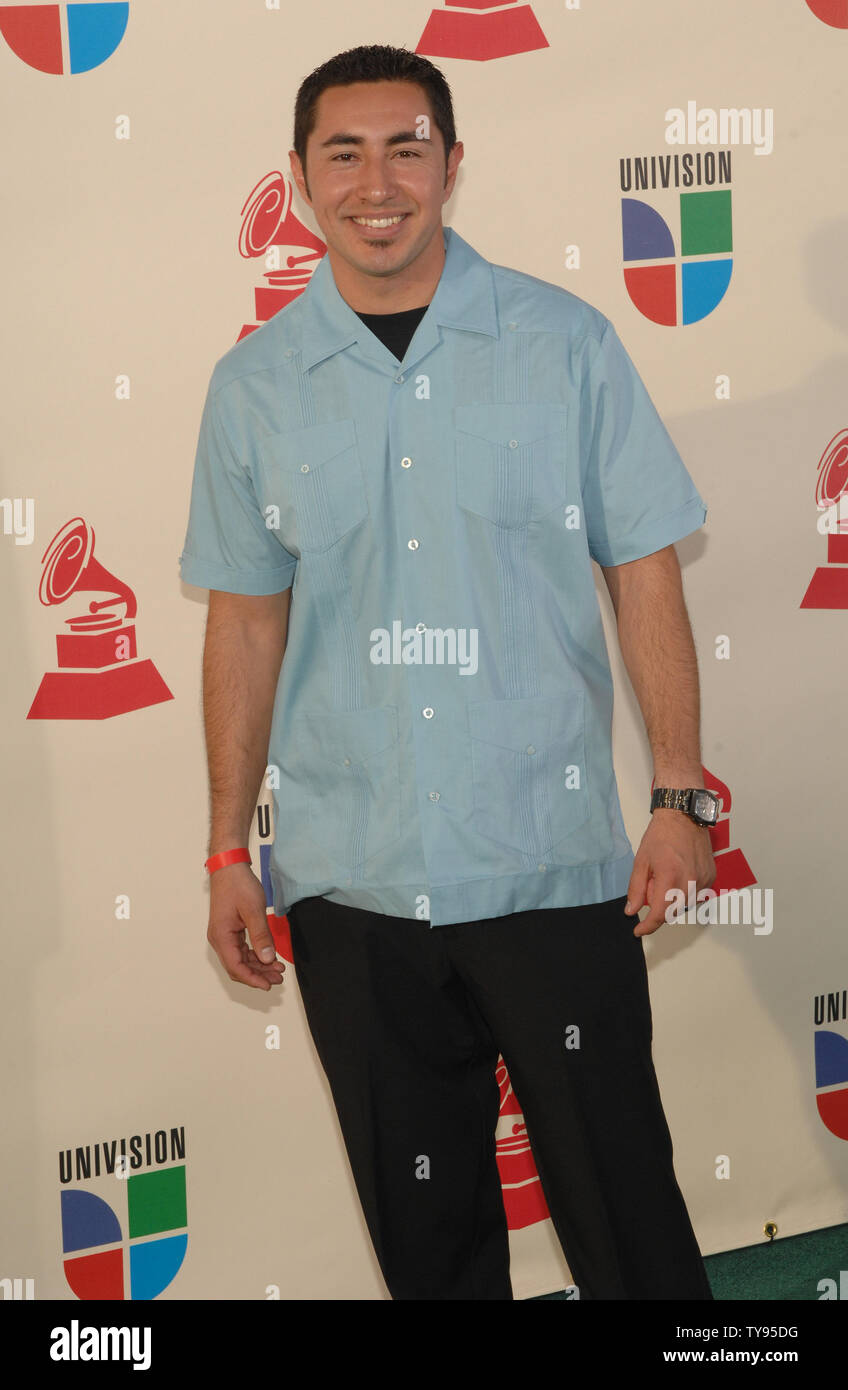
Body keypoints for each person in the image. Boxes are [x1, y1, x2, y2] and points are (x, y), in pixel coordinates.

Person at [179, 43, 717, 1300]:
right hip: (350, 887)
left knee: (627, 1221)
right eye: (343, 152)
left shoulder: (564, 342)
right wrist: (223, 851)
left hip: (549, 870)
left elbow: (644, 570)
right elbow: (245, 626)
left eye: (406, 146)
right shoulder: (253, 388)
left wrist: (678, 795)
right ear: (301, 179)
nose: (378, 181)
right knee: (430, 1254)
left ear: (453, 163)